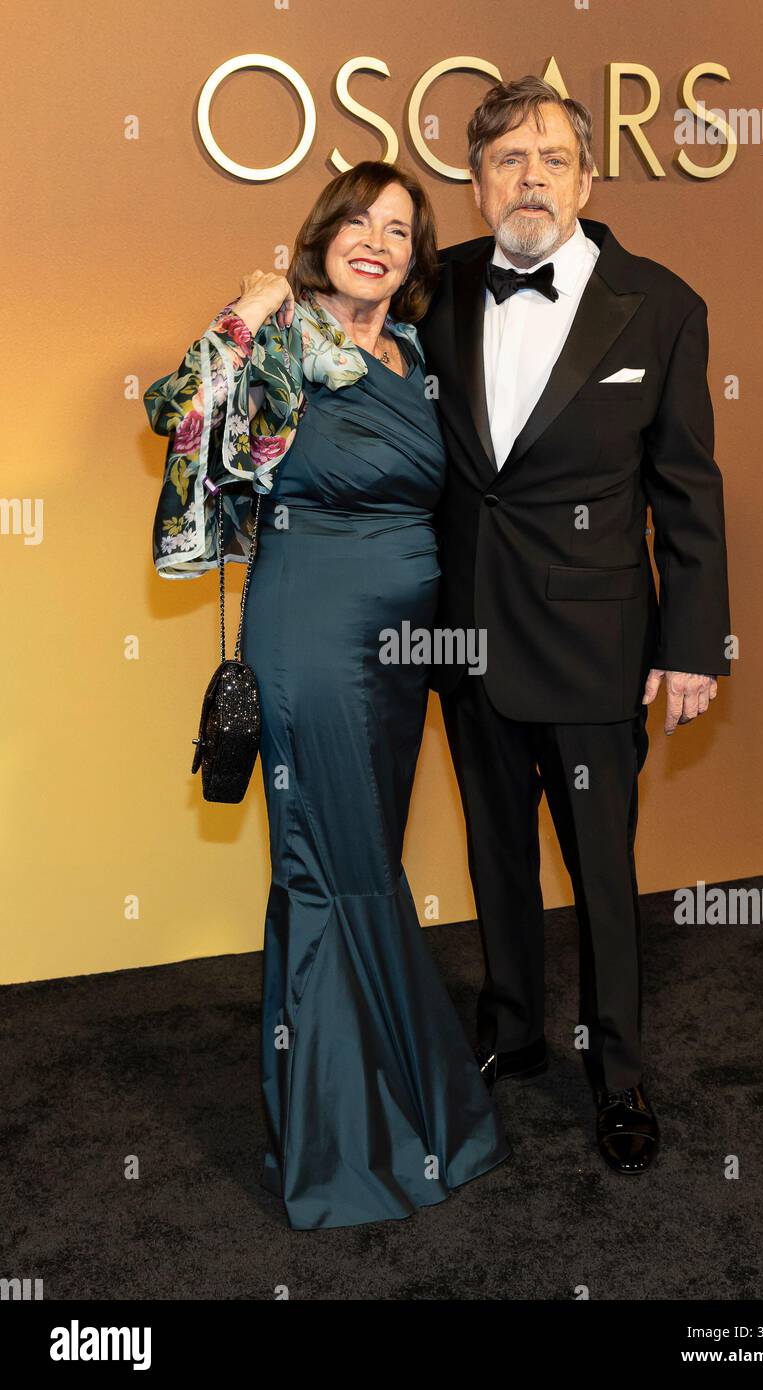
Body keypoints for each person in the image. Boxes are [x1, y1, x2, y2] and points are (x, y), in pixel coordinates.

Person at [143, 161, 510, 1229]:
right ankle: (344, 1137)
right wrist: (244, 310)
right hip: (307, 623)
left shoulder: (414, 355)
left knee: (366, 856)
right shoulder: (284, 333)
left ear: (413, 258)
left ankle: (398, 1095)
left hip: (402, 646)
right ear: (320, 235)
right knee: (326, 862)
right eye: (356, 220)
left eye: (398, 228)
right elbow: (180, 411)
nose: (375, 238)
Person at [417, 77, 732, 1174]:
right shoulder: (436, 286)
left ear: (587, 177)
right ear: (473, 183)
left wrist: (692, 641)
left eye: (551, 157)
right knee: (493, 850)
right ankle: (511, 1031)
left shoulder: (658, 303)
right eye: (507, 159)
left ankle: (621, 1072)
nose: (530, 177)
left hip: (596, 642)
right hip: (463, 636)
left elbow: (686, 489)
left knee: (600, 869)